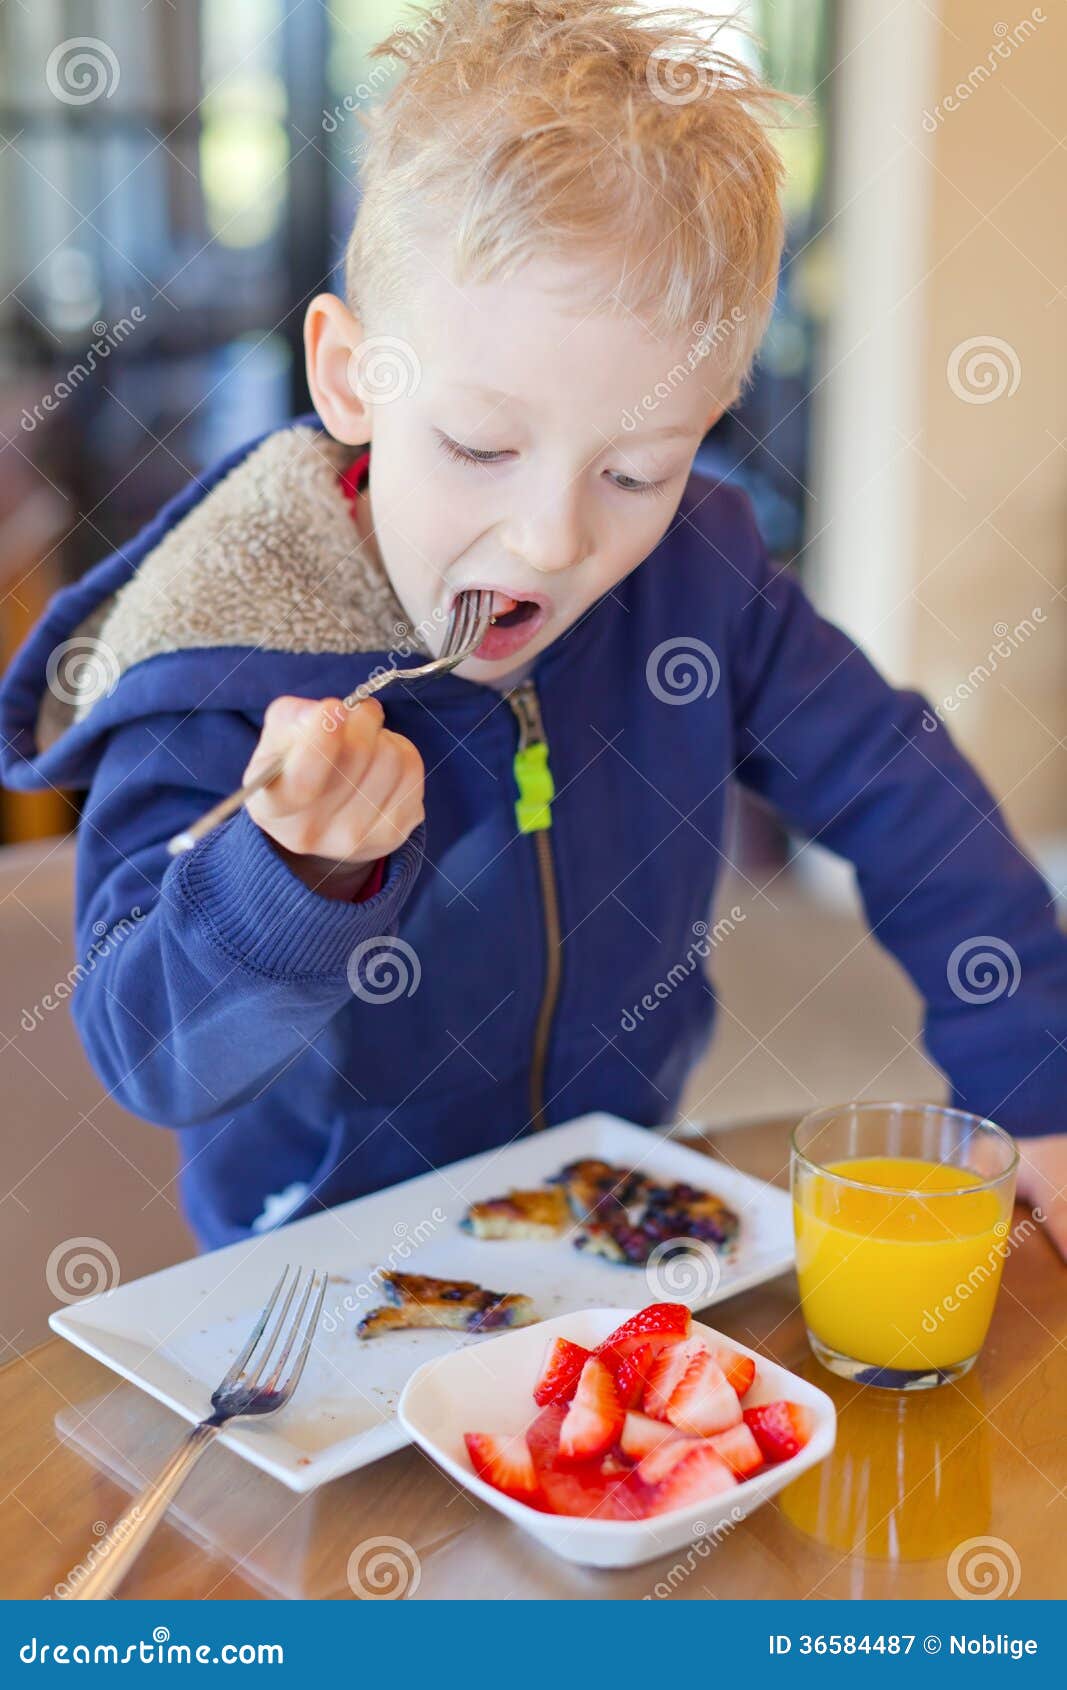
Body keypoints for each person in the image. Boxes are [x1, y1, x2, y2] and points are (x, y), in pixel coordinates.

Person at [2, 1, 1064, 1259]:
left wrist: (1031, 1078)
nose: (552, 540)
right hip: (315, 1274)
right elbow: (151, 1058)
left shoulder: (699, 573)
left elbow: (897, 787)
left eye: (633, 470)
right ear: (349, 377)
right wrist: (290, 878)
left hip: (604, 1215)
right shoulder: (212, 655)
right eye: (478, 446)